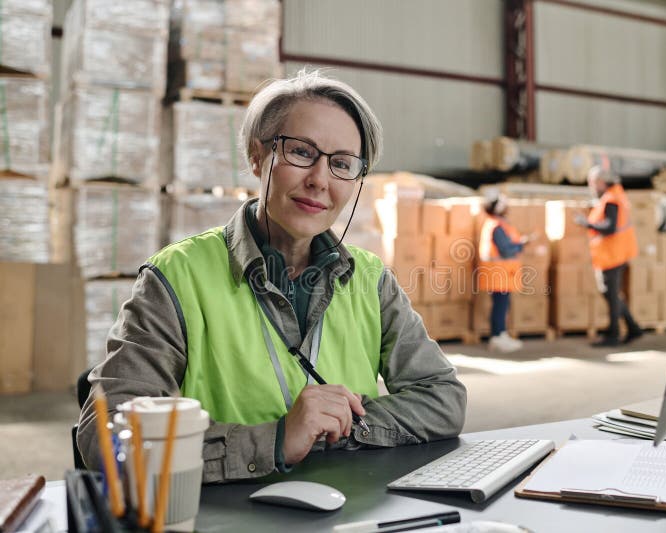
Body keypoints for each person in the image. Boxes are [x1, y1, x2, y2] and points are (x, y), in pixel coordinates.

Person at [76, 70, 467, 483]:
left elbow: (442, 399)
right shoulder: (177, 277)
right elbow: (106, 436)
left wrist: (341, 427)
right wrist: (275, 441)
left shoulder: (371, 280)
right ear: (257, 155)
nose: (319, 180)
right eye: (301, 152)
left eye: (341, 164)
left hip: (349, 514)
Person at [575, 166, 644, 347]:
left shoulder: (611, 199)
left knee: (611, 295)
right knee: (610, 293)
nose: (591, 186)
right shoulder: (612, 196)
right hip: (612, 253)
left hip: (613, 254)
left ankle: (613, 334)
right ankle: (633, 327)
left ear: (601, 182)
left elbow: (609, 227)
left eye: (592, 183)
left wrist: (587, 223)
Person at [476, 193, 536, 353]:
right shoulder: (496, 226)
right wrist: (522, 245)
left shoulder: (498, 224)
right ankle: (497, 337)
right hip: (498, 273)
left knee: (503, 305)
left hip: (502, 273)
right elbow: (506, 249)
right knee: (500, 306)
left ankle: (501, 334)